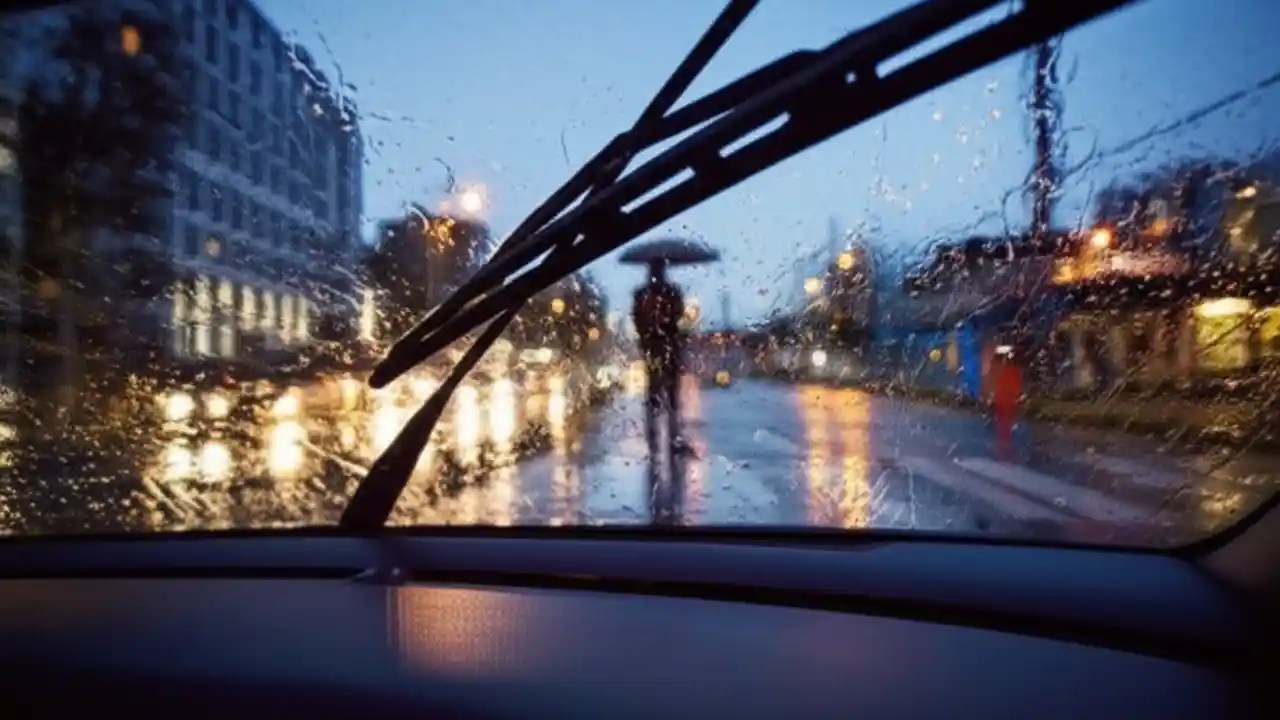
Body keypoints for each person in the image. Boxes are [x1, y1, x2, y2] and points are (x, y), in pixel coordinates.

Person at [633, 260, 686, 456]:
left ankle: (664, 436)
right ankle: (659, 436)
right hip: (657, 347)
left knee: (667, 393)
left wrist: (662, 321)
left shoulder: (666, 292)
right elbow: (637, 318)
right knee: (659, 393)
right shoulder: (645, 294)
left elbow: (678, 313)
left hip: (664, 346)